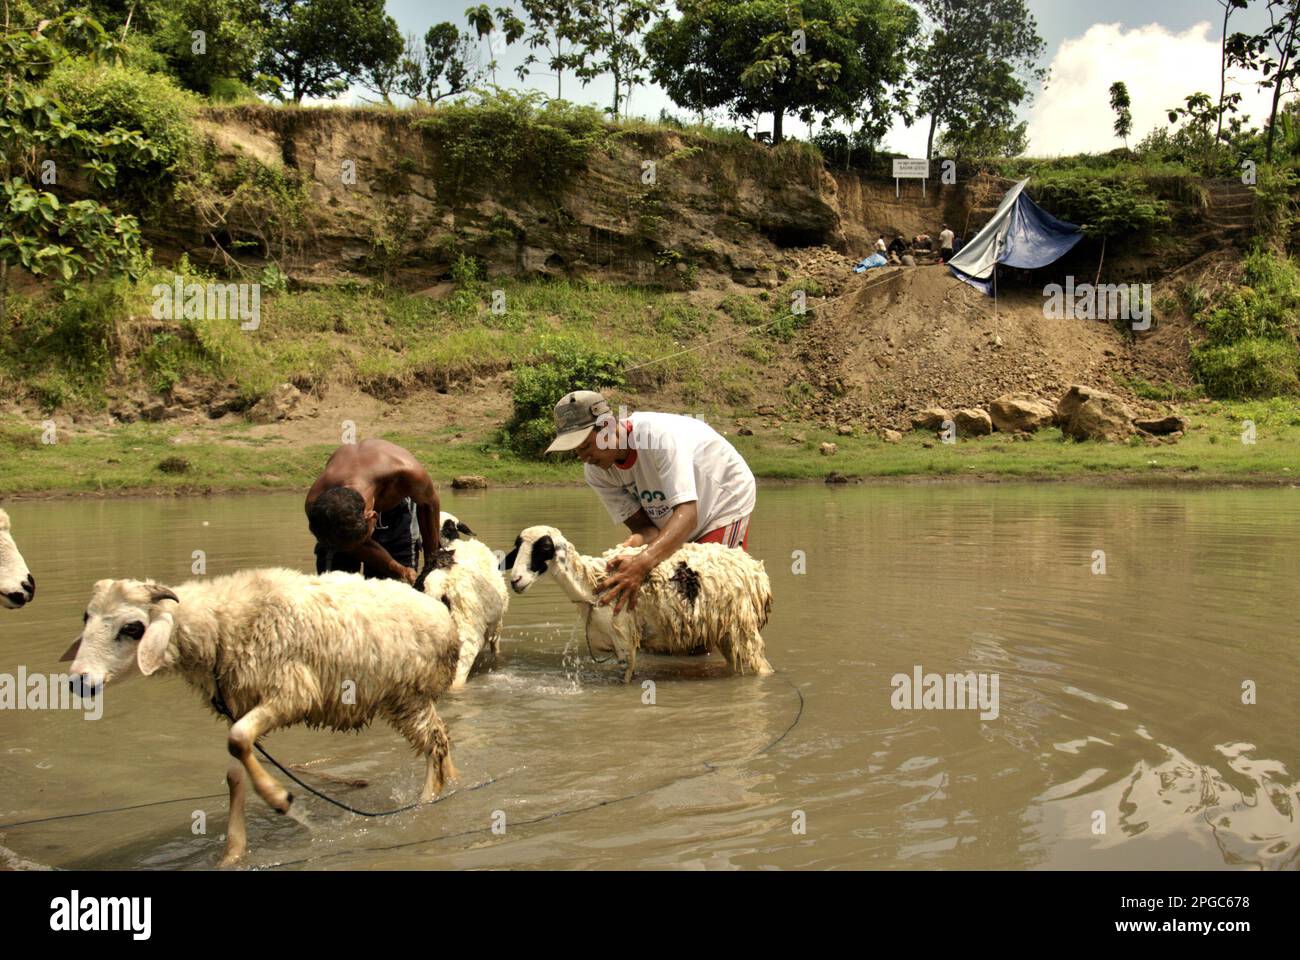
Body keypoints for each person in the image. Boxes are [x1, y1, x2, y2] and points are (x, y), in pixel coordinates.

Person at [545, 391, 756, 614]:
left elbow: (688, 515)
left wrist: (641, 563)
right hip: (675, 516)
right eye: (576, 450)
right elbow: (647, 530)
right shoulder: (596, 472)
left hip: (721, 502)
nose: (583, 457)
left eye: (586, 446)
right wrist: (637, 542)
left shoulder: (658, 439)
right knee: (676, 601)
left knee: (708, 601)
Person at [305, 439, 440, 584]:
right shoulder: (316, 504)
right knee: (334, 589)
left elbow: (429, 505)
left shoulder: (407, 474)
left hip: (395, 511)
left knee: (397, 590)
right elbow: (355, 547)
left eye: (360, 542)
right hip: (337, 520)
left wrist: (431, 565)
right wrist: (398, 569)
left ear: (372, 517)